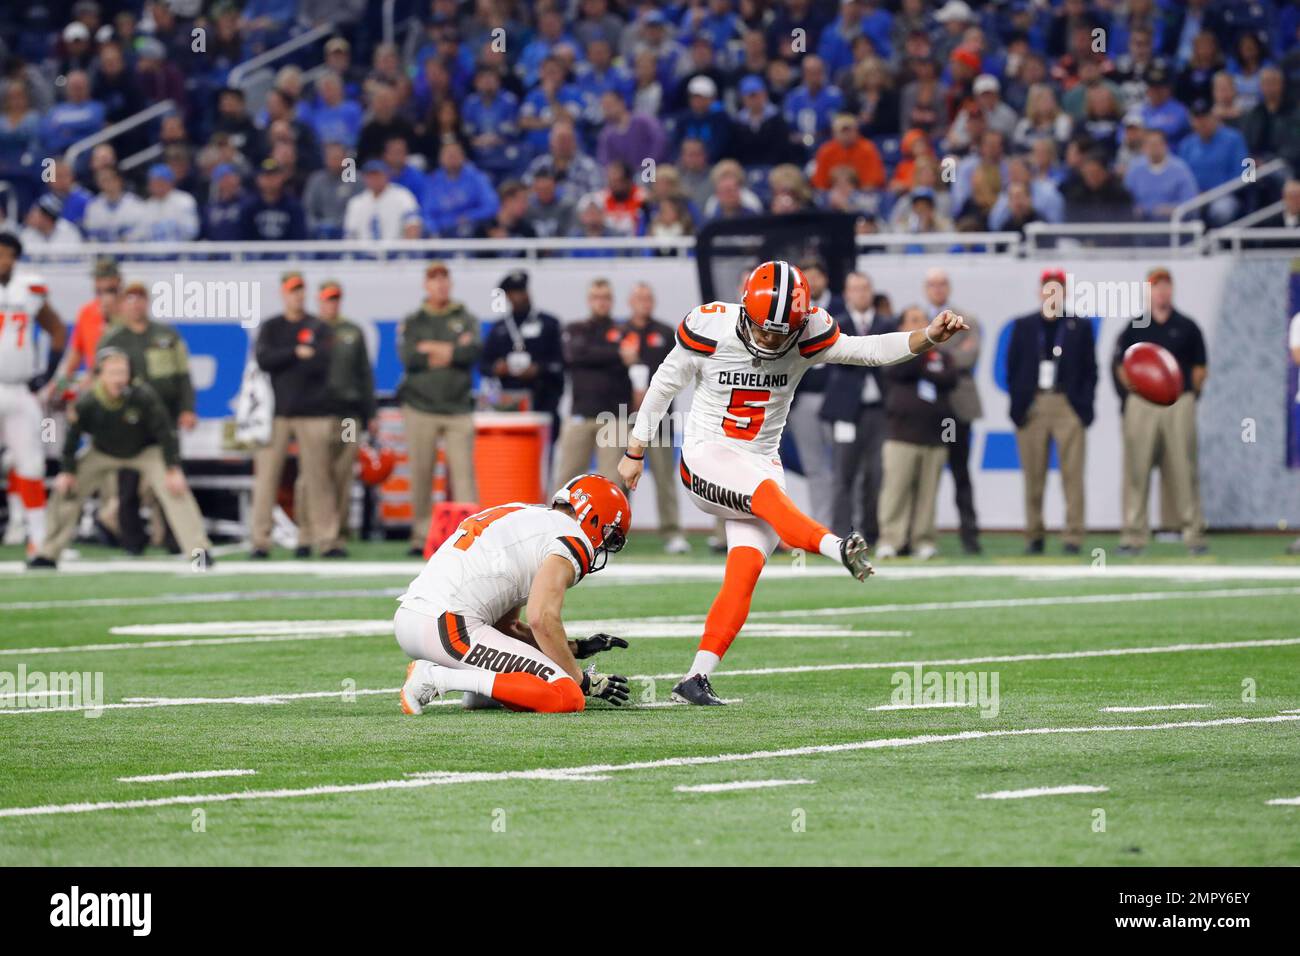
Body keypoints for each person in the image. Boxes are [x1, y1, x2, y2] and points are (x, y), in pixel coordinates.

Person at [619, 260, 969, 705]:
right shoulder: (709, 327)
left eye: (780, 333)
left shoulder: (807, 333)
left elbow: (868, 350)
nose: (770, 340)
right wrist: (634, 450)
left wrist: (928, 337)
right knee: (768, 500)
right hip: (705, 459)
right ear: (745, 310)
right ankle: (835, 546)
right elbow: (663, 386)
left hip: (761, 461)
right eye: (765, 330)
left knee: (743, 574)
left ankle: (695, 678)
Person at [395, 474, 632, 714]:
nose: (604, 545)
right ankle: (437, 678)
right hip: (448, 625)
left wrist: (575, 648)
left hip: (416, 617)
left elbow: (506, 627)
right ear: (592, 518)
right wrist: (581, 680)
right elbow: (541, 618)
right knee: (567, 696)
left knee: (544, 681)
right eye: (610, 535)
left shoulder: (523, 513)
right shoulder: (573, 538)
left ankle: (481, 690)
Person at [29, 349, 211, 569]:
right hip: (102, 452)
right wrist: (67, 471)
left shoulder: (143, 395)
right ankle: (48, 553)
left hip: (145, 451)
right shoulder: (87, 401)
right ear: (99, 375)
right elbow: (71, 437)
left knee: (176, 489)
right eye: (113, 372)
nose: (119, 378)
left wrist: (173, 468)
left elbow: (166, 432)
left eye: (123, 372)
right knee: (66, 490)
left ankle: (200, 553)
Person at [1113, 267, 1209, 556]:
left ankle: (1193, 533)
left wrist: (1187, 395)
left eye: (1166, 286)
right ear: (1148, 291)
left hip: (1178, 401)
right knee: (1135, 470)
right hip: (1143, 403)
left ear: (1173, 289)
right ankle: (1133, 536)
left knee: (1184, 468)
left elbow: (1201, 367)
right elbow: (1120, 366)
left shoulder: (1188, 326)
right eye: (1156, 287)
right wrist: (1136, 392)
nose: (1162, 292)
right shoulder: (1135, 326)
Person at [98, 280, 197, 554]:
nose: (136, 304)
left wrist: (188, 408)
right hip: (128, 421)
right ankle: (133, 541)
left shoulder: (167, 335)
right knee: (127, 482)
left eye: (140, 298)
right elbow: (101, 379)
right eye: (130, 298)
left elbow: (183, 376)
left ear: (147, 302)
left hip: (164, 418)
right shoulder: (114, 338)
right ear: (123, 303)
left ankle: (177, 539)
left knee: (172, 477)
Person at [249, 272, 340, 558]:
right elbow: (263, 359)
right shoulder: (272, 326)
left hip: (314, 413)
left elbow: (324, 362)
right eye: (292, 291)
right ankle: (259, 541)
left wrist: (289, 357)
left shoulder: (318, 326)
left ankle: (323, 539)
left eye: (301, 290)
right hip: (276, 413)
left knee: (317, 478)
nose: (297, 296)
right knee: (267, 478)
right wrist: (295, 353)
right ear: (283, 294)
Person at [1006, 269, 1098, 555]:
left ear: (1065, 294)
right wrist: (1020, 402)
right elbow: (1012, 367)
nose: (1051, 296)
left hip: (1066, 403)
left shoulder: (1078, 326)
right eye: (1047, 290)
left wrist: (1081, 406)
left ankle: (1073, 536)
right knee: (1033, 476)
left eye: (1057, 291)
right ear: (1040, 292)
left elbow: (1090, 371)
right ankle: (1034, 535)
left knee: (1073, 476)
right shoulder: (1024, 325)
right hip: (1034, 403)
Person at [397, 262, 481, 555]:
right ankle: (420, 536)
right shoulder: (414, 319)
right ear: (426, 285)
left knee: (463, 476)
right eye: (434, 280)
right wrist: (449, 350)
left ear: (450, 283)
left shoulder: (465, 317)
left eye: (444, 279)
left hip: (458, 407)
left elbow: (470, 353)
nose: (440, 285)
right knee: (421, 474)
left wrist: (430, 348)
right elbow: (409, 357)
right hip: (420, 406)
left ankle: (471, 535)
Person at [295, 280, 376, 552]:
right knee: (312, 475)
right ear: (319, 301)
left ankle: (337, 533)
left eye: (336, 299)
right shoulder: (307, 330)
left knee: (343, 473)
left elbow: (364, 373)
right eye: (328, 299)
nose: (332, 303)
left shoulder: (351, 331)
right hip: (315, 415)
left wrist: (370, 412)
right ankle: (307, 534)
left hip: (349, 415)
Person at [874, 306, 958, 561]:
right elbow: (901, 372)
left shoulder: (942, 355)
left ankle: (923, 540)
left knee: (927, 493)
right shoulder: (896, 353)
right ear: (900, 327)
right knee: (895, 491)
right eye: (913, 320)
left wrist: (929, 362)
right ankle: (891, 539)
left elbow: (950, 379)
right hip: (901, 434)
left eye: (922, 319)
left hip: (935, 434)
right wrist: (923, 353)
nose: (920, 323)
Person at [0, 234, 64, 556]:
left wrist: (47, 374)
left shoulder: (29, 288)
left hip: (18, 386)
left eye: (6, 254)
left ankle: (38, 538)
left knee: (31, 462)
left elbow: (57, 329)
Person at [820, 272, 896, 539]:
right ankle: (841, 533)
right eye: (856, 289)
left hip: (879, 410)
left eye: (865, 288)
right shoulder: (835, 325)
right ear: (847, 293)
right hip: (846, 410)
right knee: (843, 474)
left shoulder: (887, 323)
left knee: (877, 474)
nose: (861, 293)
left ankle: (872, 532)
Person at [623, 281, 688, 554]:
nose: (644, 303)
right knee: (621, 477)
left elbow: (676, 373)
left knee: (665, 477)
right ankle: (613, 533)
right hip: (623, 416)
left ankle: (672, 532)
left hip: (659, 418)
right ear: (630, 302)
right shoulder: (620, 333)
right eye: (639, 298)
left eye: (648, 298)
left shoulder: (664, 332)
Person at [923, 267, 983, 553]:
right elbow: (912, 359)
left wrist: (934, 356)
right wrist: (944, 356)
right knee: (923, 474)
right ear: (926, 288)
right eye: (933, 284)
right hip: (923, 408)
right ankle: (920, 537)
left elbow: (968, 356)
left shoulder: (967, 319)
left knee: (961, 473)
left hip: (956, 407)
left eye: (942, 284)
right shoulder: (917, 319)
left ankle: (970, 537)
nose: (938, 289)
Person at [555, 278, 628, 485]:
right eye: (596, 297)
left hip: (614, 416)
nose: (601, 302)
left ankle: (610, 519)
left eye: (605, 298)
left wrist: (591, 354)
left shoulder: (623, 331)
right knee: (567, 481)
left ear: (612, 301)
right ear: (589, 300)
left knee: (612, 483)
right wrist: (617, 354)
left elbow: (633, 359)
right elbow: (574, 355)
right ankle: (562, 519)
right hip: (580, 414)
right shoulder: (575, 328)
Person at [481, 270, 565, 444]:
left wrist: (538, 369)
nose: (521, 296)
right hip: (509, 407)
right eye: (515, 292)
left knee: (543, 459)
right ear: (508, 297)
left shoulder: (549, 324)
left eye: (523, 291)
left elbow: (561, 362)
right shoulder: (499, 329)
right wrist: (497, 368)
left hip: (543, 401)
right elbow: (483, 364)